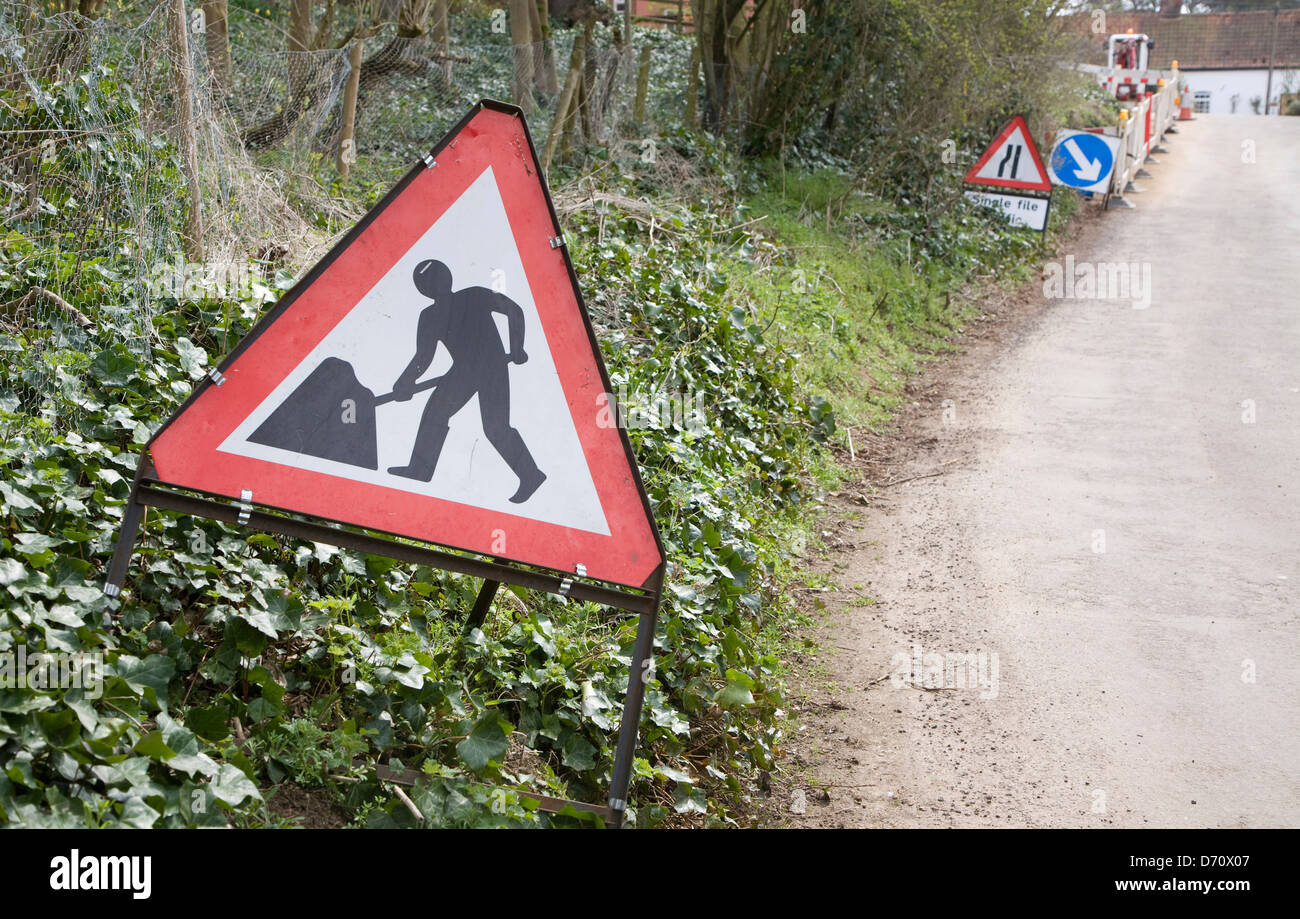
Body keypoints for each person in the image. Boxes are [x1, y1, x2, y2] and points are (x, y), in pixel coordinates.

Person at [387, 259, 546, 504]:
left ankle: (531, 475)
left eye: (435, 278)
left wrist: (517, 347)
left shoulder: (474, 295)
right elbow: (424, 357)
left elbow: (513, 310)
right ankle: (419, 470)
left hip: (492, 366)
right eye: (428, 282)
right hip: (463, 370)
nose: (434, 285)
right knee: (434, 414)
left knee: (495, 427)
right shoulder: (429, 316)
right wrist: (404, 382)